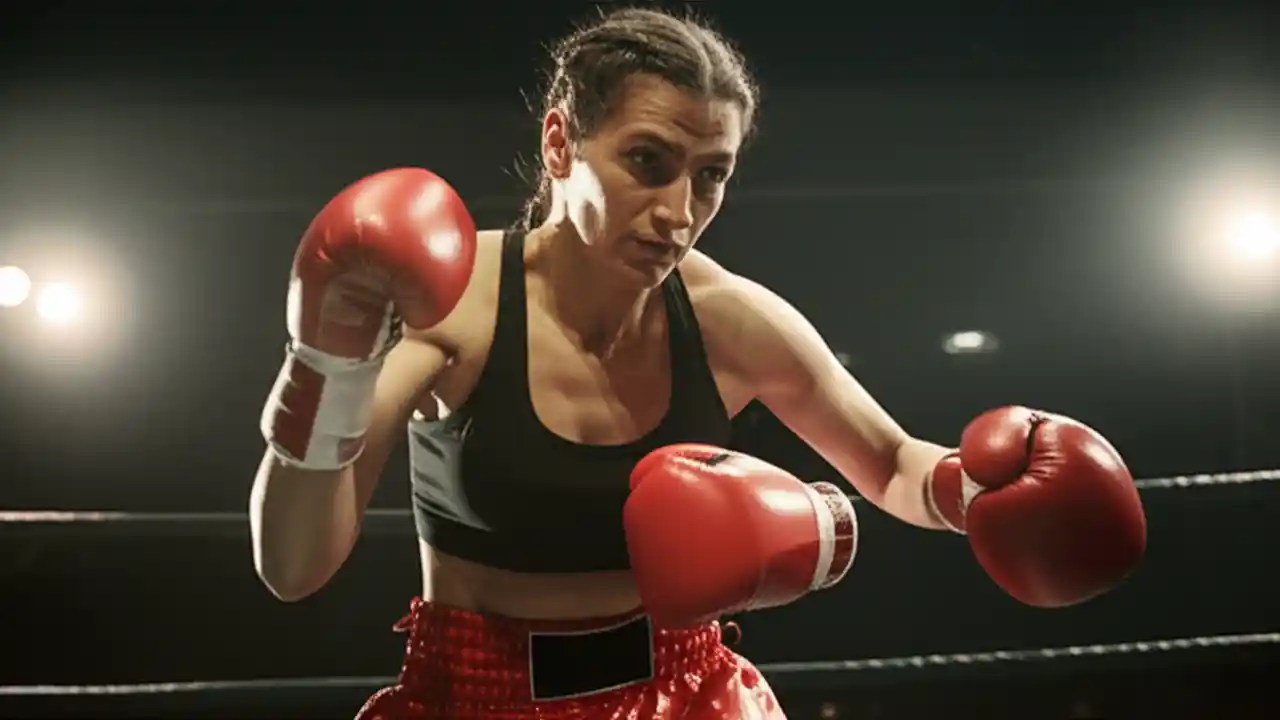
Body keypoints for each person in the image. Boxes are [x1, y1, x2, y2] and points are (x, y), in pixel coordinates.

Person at [249, 6, 1148, 719]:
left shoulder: (727, 319)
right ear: (560, 144)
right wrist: (325, 365)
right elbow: (293, 567)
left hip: (690, 695)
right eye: (648, 161)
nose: (678, 212)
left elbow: (895, 464)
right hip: (480, 700)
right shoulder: (458, 306)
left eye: (710, 175)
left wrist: (972, 490)